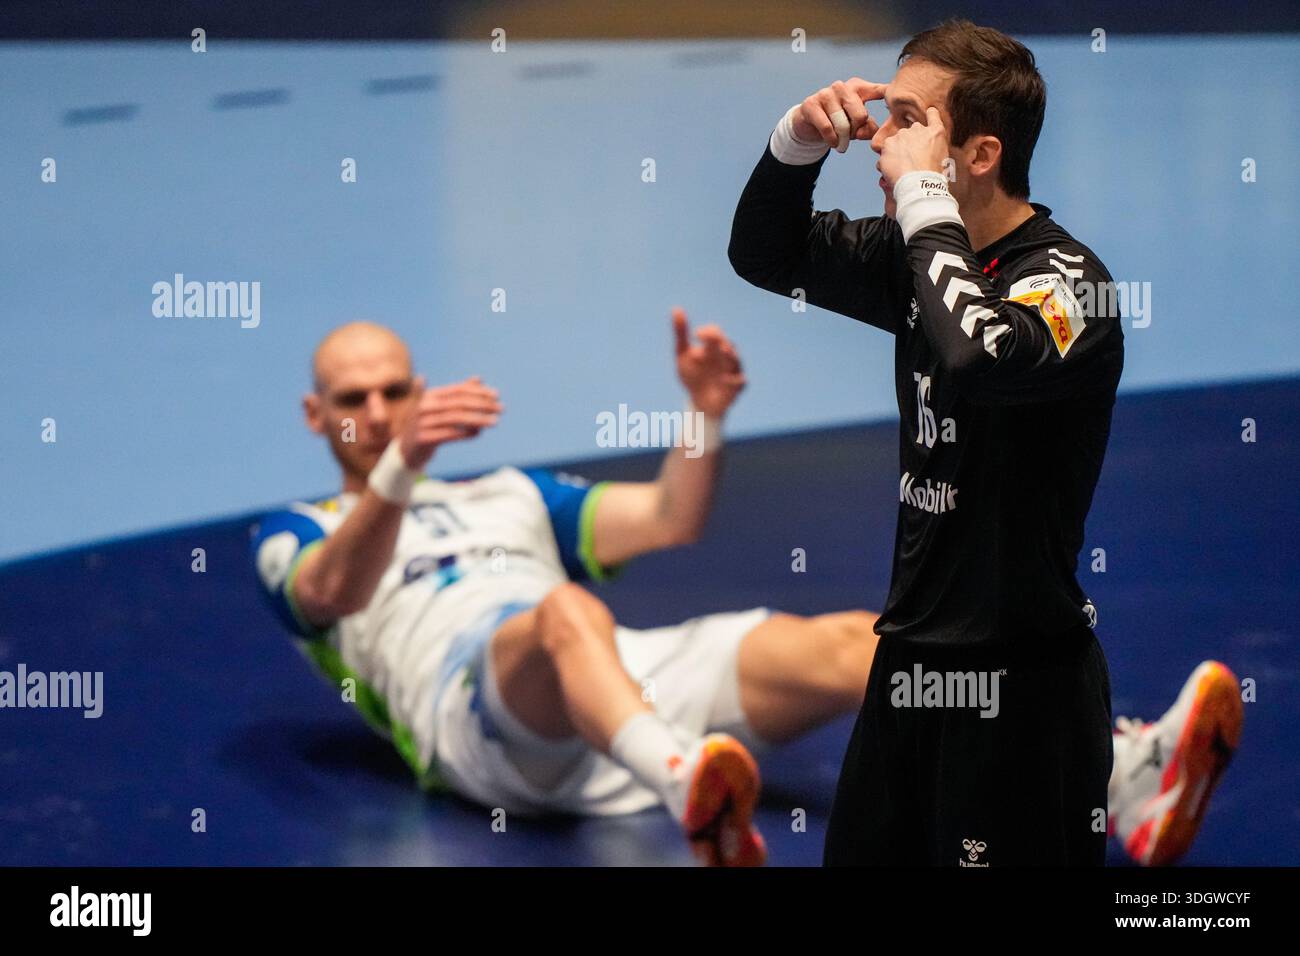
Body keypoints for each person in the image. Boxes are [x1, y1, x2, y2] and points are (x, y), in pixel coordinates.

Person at [251, 316, 1239, 867]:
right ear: (314, 414)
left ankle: (1114, 777)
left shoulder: (508, 492)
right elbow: (330, 593)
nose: (380, 412)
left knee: (863, 641)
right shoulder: (297, 530)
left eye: (395, 390)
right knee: (563, 611)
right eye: (353, 400)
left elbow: (669, 518)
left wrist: (704, 415)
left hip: (612, 679)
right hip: (483, 721)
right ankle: (686, 782)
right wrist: (395, 473)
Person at [727, 18, 1240, 865]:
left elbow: (982, 354)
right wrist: (796, 141)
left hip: (1024, 693)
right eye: (886, 114)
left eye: (910, 123)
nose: (882, 142)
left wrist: (924, 201)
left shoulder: (1075, 287)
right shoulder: (916, 256)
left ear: (981, 153)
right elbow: (764, 251)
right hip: (906, 671)